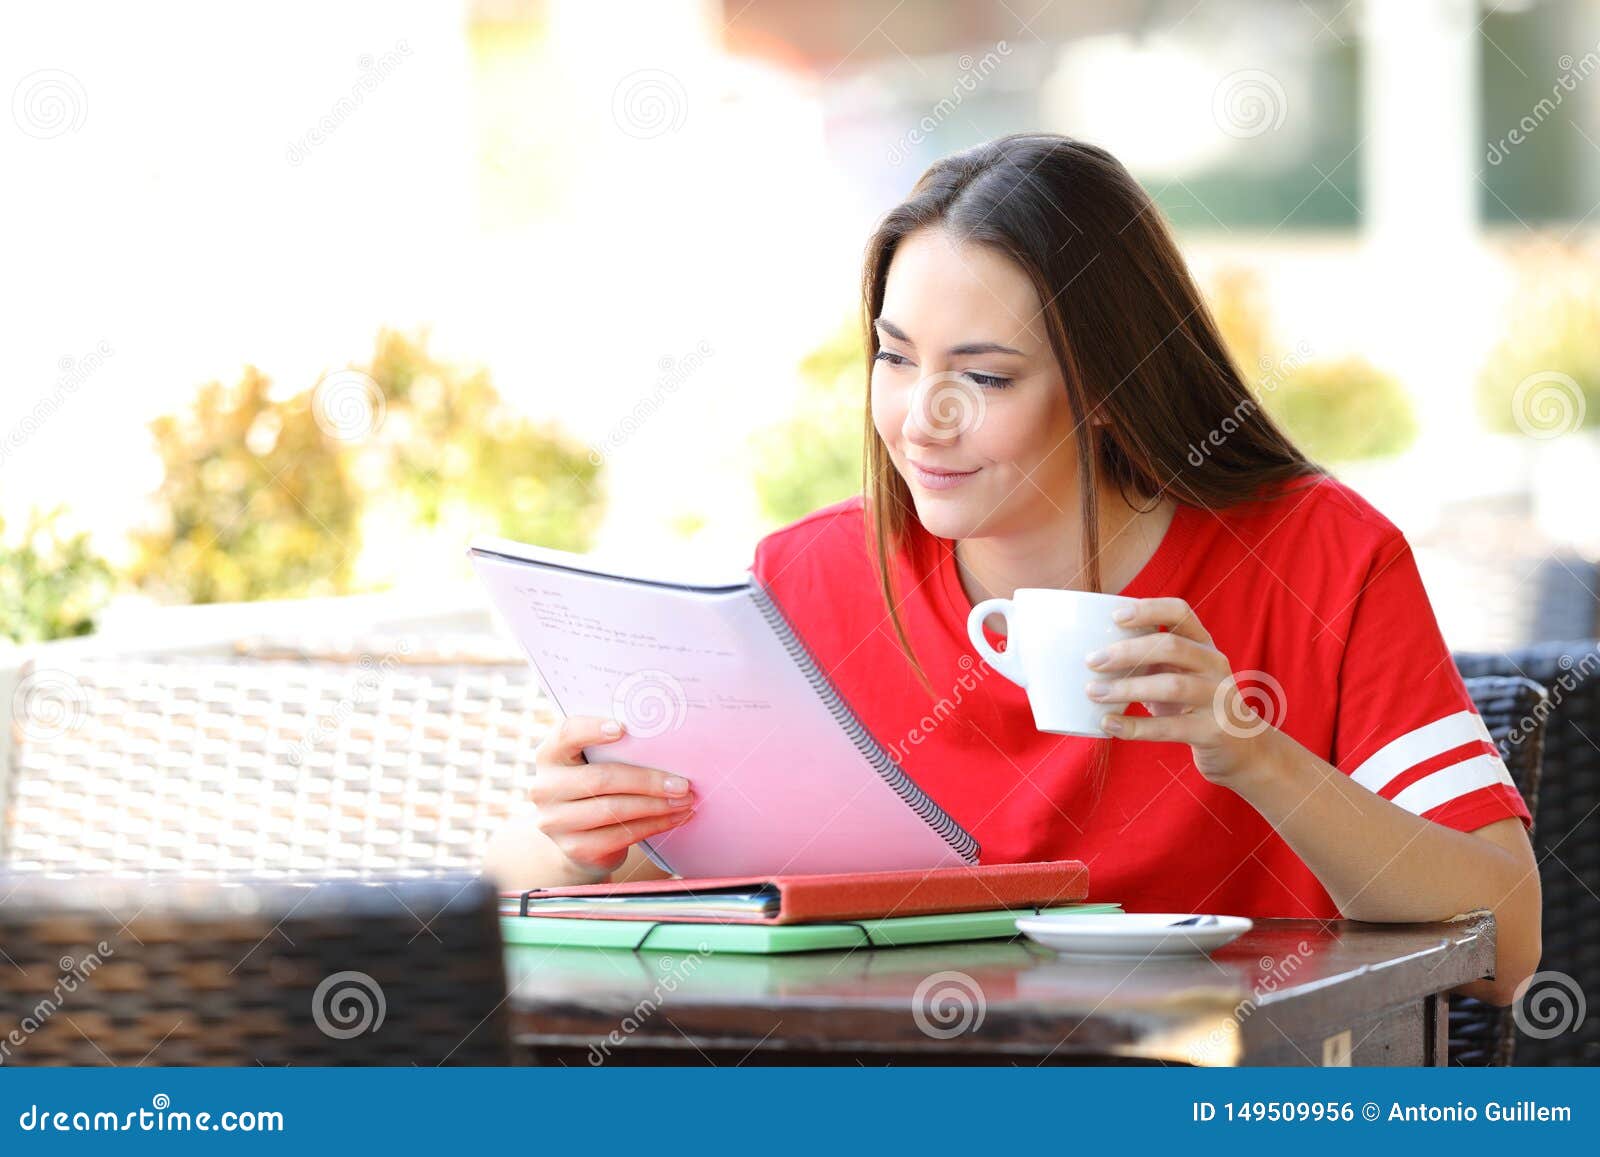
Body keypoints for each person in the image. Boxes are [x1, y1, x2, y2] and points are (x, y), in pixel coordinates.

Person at [486, 133, 1539, 1006]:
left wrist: (1250, 750)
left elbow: (1508, 938)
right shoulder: (803, 585)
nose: (920, 418)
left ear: (1108, 384)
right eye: (895, 358)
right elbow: (546, 899)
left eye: (982, 375)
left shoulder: (1319, 554)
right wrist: (580, 840)